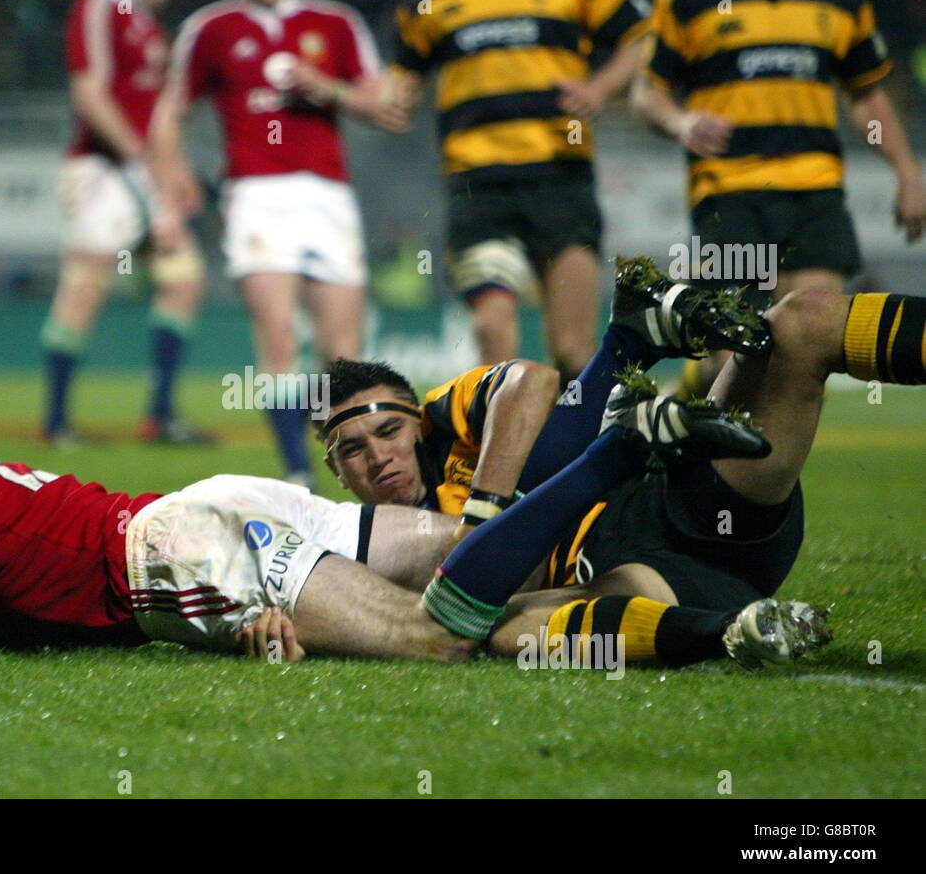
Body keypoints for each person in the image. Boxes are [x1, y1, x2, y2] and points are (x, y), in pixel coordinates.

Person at [0, 373, 800, 671]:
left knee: (441, 631)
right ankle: (625, 428)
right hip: (196, 513)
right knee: (460, 564)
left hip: (166, 559)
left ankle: (618, 445)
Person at [319, 259, 926, 666]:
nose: (379, 457)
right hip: (643, 582)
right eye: (352, 450)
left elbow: (529, 382)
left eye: (387, 431)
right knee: (499, 631)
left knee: (801, 320)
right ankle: (735, 632)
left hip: (678, 497)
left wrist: (478, 528)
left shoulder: (441, 419)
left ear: (412, 420)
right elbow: (433, 615)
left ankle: (630, 358)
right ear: (335, 473)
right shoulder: (364, 543)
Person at [149, 0, 400, 489]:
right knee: (278, 339)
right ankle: (298, 476)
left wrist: (324, 85)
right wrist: (169, 193)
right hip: (256, 197)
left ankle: (348, 473)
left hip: (328, 198)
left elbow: (384, 105)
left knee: (344, 355)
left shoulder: (336, 22)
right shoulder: (211, 26)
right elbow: (168, 113)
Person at [630, 0, 926, 395]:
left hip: (815, 194)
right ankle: (687, 392)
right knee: (731, 360)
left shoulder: (845, 0)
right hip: (729, 194)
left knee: (809, 344)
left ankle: (770, 457)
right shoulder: (686, 0)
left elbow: (866, 94)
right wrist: (679, 121)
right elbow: (647, 93)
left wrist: (908, 172)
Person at [379, 0, 654, 381]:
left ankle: (569, 440)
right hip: (478, 187)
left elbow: (643, 35)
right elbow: (402, 73)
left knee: (575, 355)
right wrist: (391, 96)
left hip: (561, 179)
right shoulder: (429, 2)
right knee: (492, 332)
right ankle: (505, 438)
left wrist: (600, 88)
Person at [44, 0, 210, 447]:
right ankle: (55, 424)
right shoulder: (100, 4)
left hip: (144, 171)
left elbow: (157, 116)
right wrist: (145, 170)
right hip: (101, 169)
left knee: (184, 279)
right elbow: (89, 95)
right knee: (84, 287)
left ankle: (159, 416)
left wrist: (175, 174)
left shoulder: (147, 23)